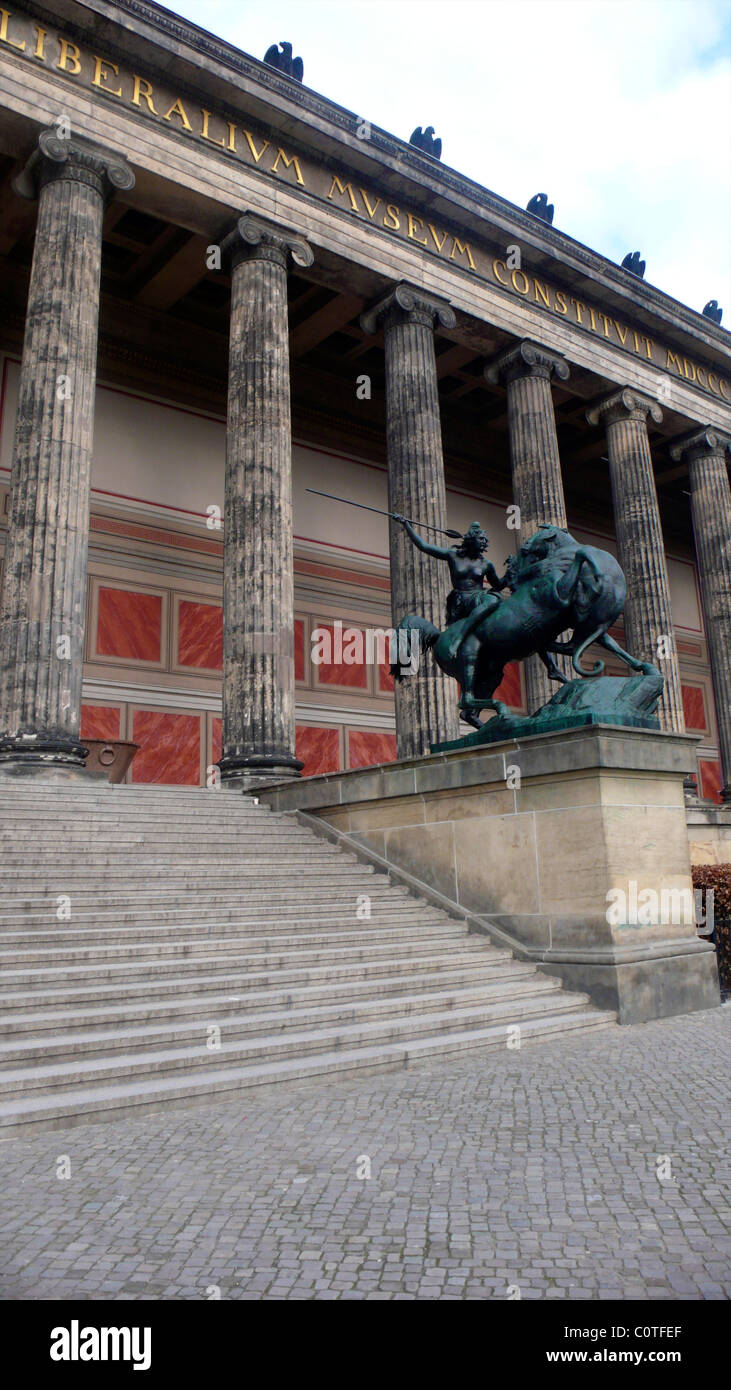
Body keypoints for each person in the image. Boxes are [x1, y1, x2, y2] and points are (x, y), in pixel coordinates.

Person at [393, 516, 508, 626]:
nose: (484, 542)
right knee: (490, 600)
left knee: (494, 599)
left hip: (478, 598)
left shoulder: (486, 564)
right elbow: (423, 546)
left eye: (485, 540)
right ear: (471, 539)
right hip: (460, 600)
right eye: (481, 539)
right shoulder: (453, 555)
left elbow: (497, 585)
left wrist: (510, 574)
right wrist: (406, 524)